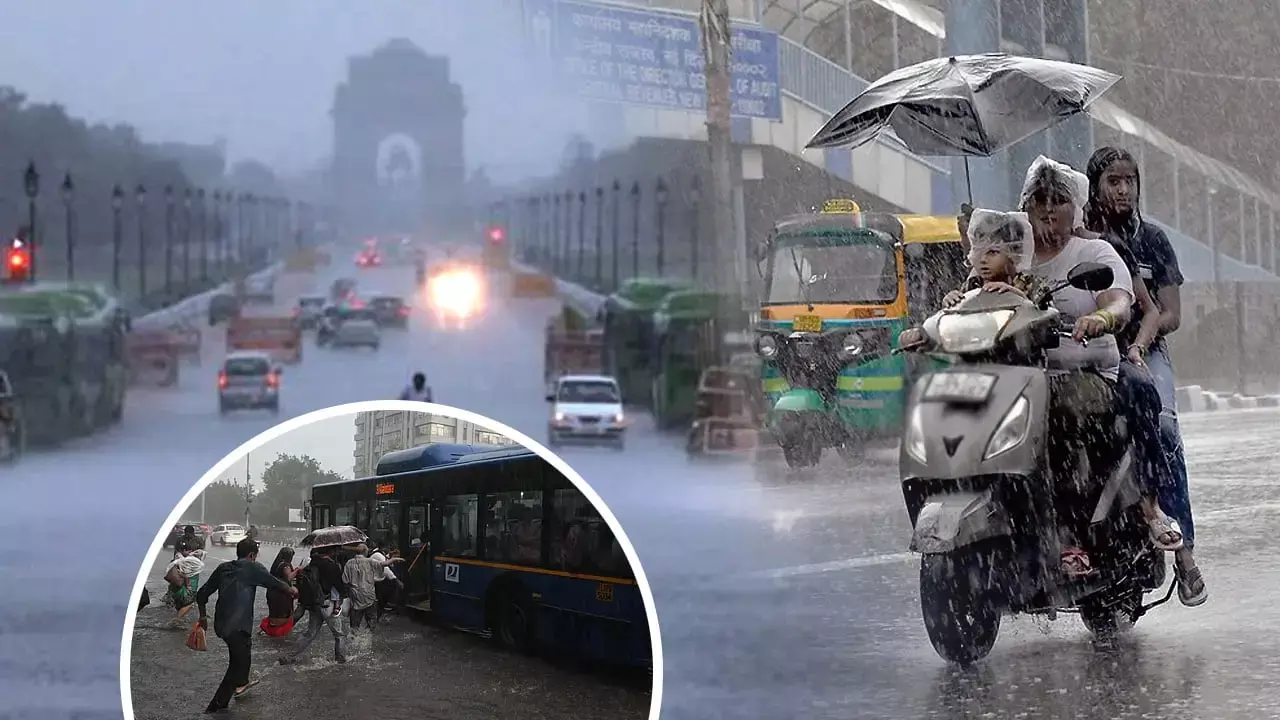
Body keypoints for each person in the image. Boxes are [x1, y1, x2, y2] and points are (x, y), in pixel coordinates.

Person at [1086, 145, 1206, 607]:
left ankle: (1184, 552)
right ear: (1094, 187)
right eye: (1113, 181)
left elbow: (1168, 312)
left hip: (1144, 353)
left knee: (1164, 428)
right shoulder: (1080, 237)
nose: (1123, 190)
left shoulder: (1152, 239)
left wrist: (1138, 334)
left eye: (1129, 181)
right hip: (1087, 351)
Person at [195, 538, 297, 714]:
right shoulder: (253, 568)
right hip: (238, 626)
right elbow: (276, 583)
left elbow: (202, 594)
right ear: (251, 555)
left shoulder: (223, 568)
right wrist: (292, 590)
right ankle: (215, 708)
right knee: (237, 665)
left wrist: (203, 616)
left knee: (241, 658)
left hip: (221, 624)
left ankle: (239, 687)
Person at [278, 546, 349, 665]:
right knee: (339, 634)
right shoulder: (332, 566)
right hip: (328, 604)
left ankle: (289, 657)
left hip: (314, 604)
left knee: (309, 633)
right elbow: (339, 587)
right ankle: (340, 659)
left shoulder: (311, 564)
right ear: (330, 551)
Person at [342, 544, 405, 631]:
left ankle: (355, 637)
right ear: (365, 552)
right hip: (369, 597)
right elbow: (384, 564)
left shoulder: (349, 563)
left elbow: (345, 580)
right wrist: (395, 559)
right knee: (371, 621)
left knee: (354, 625)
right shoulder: (370, 561)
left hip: (355, 597)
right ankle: (368, 636)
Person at [260, 547, 299, 637]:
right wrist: (297, 570)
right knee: (283, 614)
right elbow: (289, 577)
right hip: (282, 594)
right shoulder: (286, 565)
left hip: (272, 592)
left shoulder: (276, 564)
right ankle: (278, 634)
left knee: (274, 613)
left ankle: (269, 630)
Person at [165, 546, 206, 622]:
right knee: (190, 604)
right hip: (184, 590)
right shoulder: (190, 563)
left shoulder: (178, 560)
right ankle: (176, 620)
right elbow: (186, 574)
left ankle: (178, 619)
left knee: (179, 606)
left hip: (175, 588)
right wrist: (188, 586)